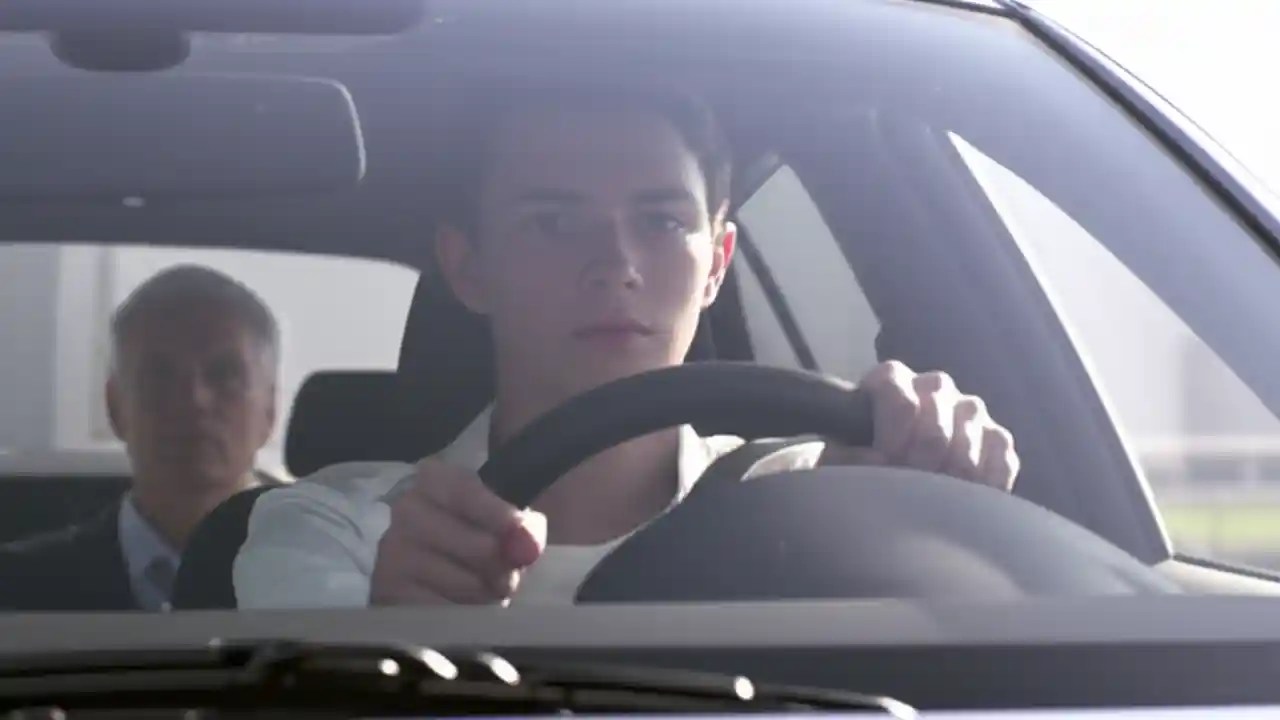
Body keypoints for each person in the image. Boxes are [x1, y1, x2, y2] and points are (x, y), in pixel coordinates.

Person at [232, 86, 1019, 609]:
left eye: (662, 221)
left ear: (716, 263)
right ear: (469, 268)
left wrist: (934, 485)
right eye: (554, 221)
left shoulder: (816, 494)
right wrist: (383, 633)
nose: (616, 265)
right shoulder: (335, 530)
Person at [0, 265, 280, 611]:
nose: (194, 400)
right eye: (159, 377)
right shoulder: (14, 589)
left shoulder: (340, 589)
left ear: (269, 410)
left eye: (224, 374)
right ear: (116, 408)